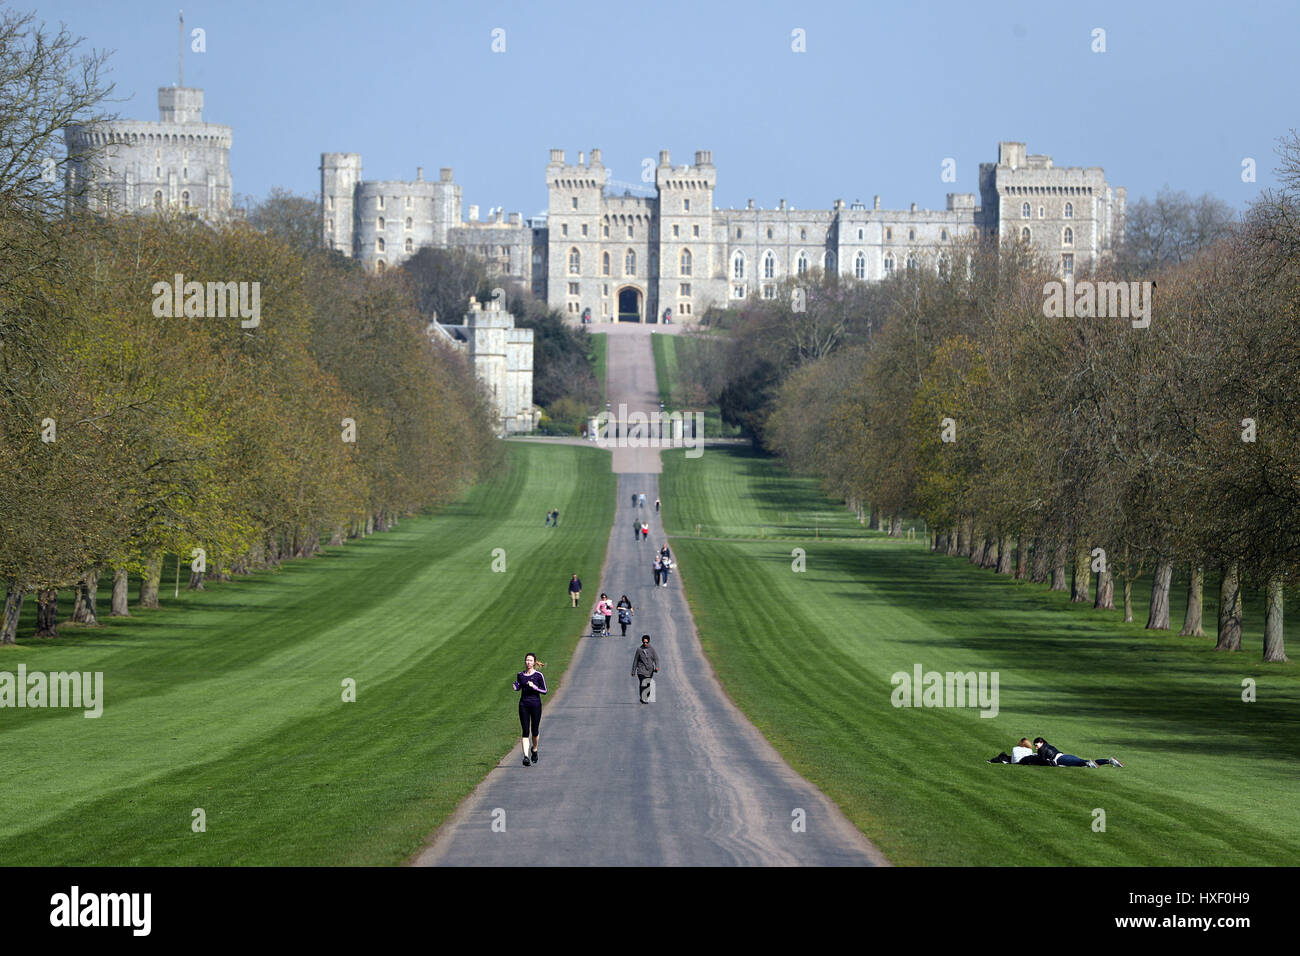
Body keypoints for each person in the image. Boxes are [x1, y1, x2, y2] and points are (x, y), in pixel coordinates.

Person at [513, 653, 547, 766]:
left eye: (530, 660)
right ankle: (526, 757)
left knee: (535, 731)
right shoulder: (520, 675)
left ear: (534, 662)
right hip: (523, 705)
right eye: (527, 660)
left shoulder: (538, 675)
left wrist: (535, 687)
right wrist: (516, 687)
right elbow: (520, 687)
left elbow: (545, 691)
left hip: (536, 705)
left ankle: (535, 749)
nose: (528, 662)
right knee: (525, 731)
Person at [1033, 736, 1124, 768]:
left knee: (1082, 763)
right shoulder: (1049, 745)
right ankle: (1108, 761)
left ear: (1041, 742)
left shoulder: (1041, 749)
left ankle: (1091, 763)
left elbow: (1042, 760)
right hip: (1065, 755)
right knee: (1083, 761)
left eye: (1036, 745)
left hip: (1061, 760)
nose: (1036, 748)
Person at [631, 634, 659, 703]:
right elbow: (635, 660)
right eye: (644, 642)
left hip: (650, 671)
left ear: (649, 642)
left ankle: (645, 696)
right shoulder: (639, 650)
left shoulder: (652, 649)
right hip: (641, 670)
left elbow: (656, 659)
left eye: (646, 642)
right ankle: (643, 698)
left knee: (647, 685)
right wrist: (633, 671)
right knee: (643, 683)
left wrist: (657, 666)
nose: (645, 643)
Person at [988, 737, 1052, 765]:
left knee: (1005, 756)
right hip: (1022, 761)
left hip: (1014, 761)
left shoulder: (1015, 748)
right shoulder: (1029, 750)